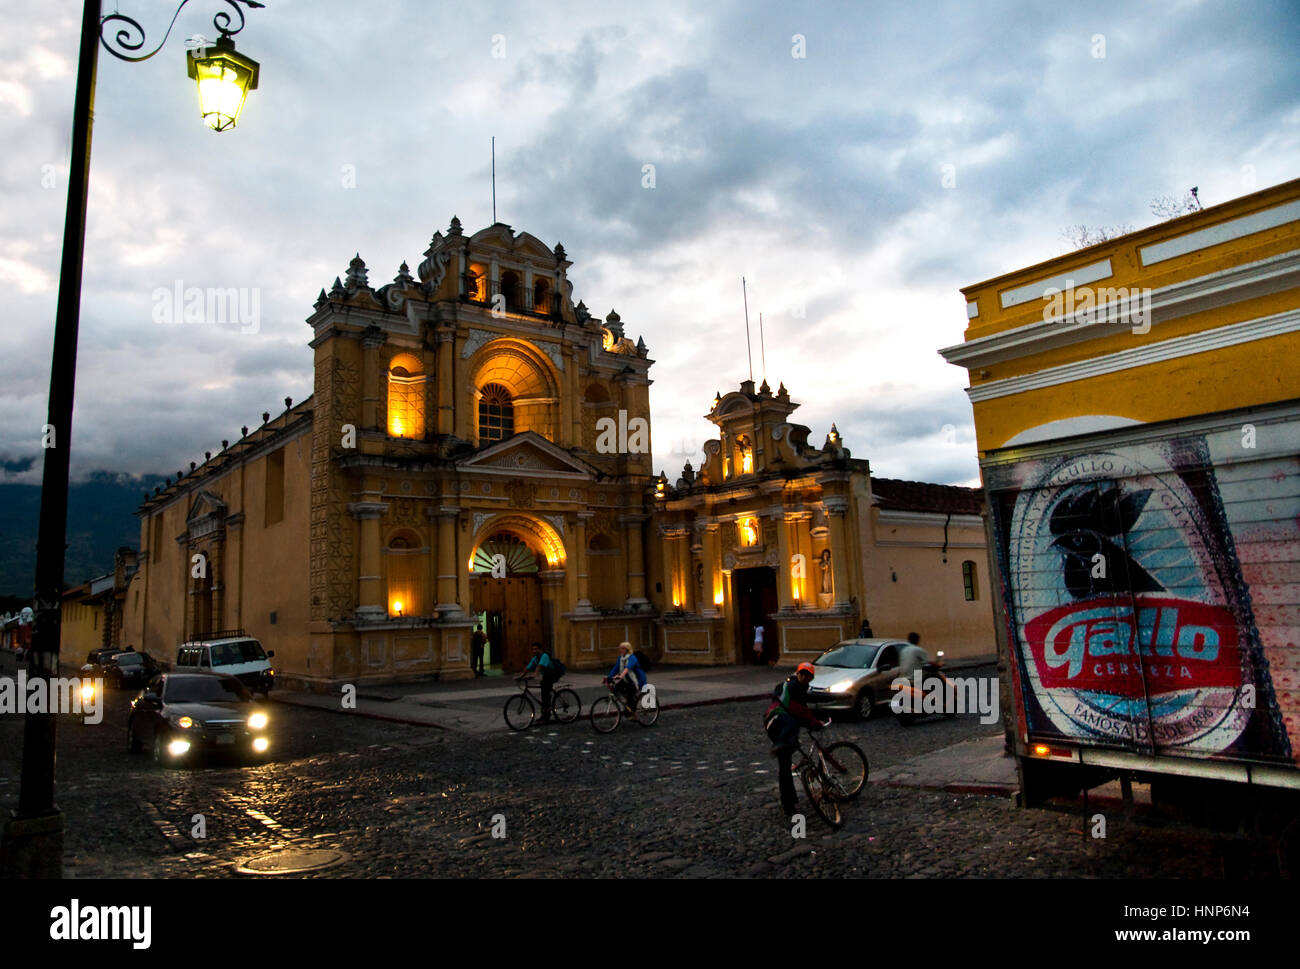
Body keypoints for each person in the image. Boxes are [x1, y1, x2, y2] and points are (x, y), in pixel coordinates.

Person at [763, 662, 828, 819]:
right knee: (785, 758)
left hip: (774, 722)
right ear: (798, 674)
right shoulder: (793, 687)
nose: (805, 677)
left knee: (785, 763)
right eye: (803, 674)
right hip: (777, 721)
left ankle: (790, 800)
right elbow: (800, 710)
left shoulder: (792, 687)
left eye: (808, 675)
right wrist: (815, 723)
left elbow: (801, 708)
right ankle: (788, 804)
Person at [518, 642, 559, 722]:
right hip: (546, 675)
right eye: (533, 649)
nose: (534, 651)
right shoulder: (535, 658)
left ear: (540, 649)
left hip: (553, 674)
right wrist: (521, 676)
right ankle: (545, 712)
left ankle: (547, 713)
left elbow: (539, 666)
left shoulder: (544, 656)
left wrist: (534, 674)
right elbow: (528, 667)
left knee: (545, 692)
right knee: (544, 692)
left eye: (536, 649)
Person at [604, 641, 645, 711]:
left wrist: (621, 675)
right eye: (620, 648)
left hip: (636, 680)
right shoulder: (620, 658)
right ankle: (627, 705)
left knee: (630, 695)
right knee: (615, 689)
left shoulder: (632, 658)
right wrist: (609, 677)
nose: (621, 650)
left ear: (627, 649)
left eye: (623, 648)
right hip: (626, 679)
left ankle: (632, 713)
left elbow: (628, 668)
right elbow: (615, 668)